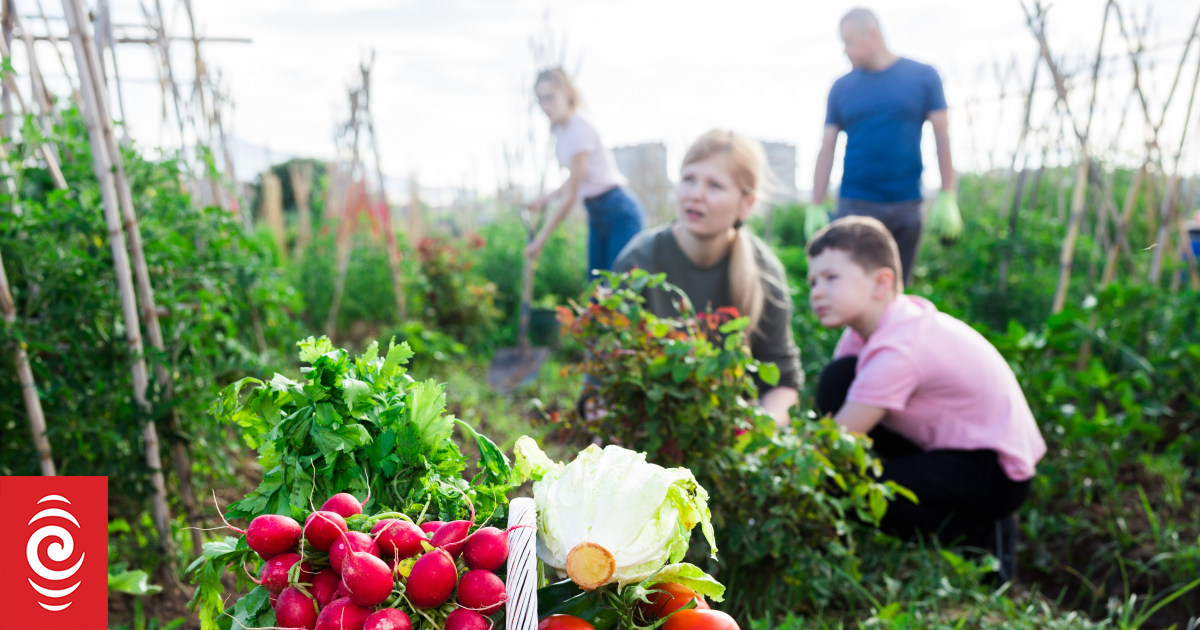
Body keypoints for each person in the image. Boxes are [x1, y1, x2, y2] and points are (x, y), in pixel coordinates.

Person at [806, 215, 1046, 582]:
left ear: (882, 282)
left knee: (856, 492)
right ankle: (934, 504)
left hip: (996, 472)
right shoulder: (866, 334)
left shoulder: (900, 348)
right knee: (838, 380)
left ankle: (982, 535)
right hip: (956, 450)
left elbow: (833, 445)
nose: (816, 292)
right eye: (813, 281)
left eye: (831, 278)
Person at [612, 129, 801, 428]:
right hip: (650, 429)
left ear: (746, 203)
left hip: (731, 433)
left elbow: (783, 380)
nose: (695, 194)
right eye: (689, 179)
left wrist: (758, 432)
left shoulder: (764, 271)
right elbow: (603, 376)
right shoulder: (638, 262)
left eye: (714, 185)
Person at [811, 7, 958, 285]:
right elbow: (826, 148)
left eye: (850, 41)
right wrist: (815, 204)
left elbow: (943, 136)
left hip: (906, 204)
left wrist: (947, 195)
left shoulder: (923, 77)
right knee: (851, 288)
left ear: (873, 35)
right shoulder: (841, 88)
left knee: (895, 289)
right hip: (855, 204)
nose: (846, 51)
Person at [525, 68, 645, 279]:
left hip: (619, 212)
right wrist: (546, 199)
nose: (545, 105)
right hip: (597, 213)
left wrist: (540, 241)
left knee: (615, 289)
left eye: (550, 97)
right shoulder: (560, 131)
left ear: (567, 94)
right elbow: (576, 179)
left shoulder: (578, 130)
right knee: (595, 289)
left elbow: (572, 196)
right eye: (540, 100)